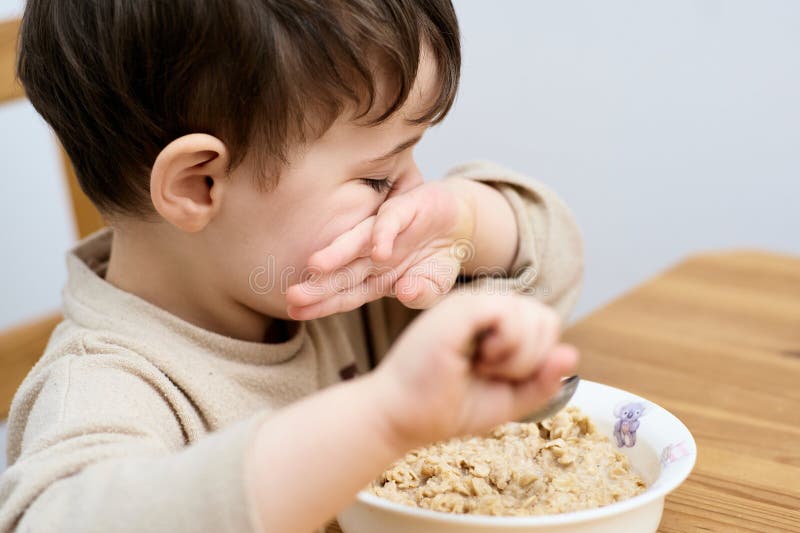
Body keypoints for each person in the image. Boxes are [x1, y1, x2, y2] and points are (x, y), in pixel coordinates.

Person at [0, 1, 584, 531]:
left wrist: (468, 222)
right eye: (378, 176)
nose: (412, 190)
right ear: (200, 184)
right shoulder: (106, 386)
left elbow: (553, 272)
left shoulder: (351, 290)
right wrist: (381, 417)